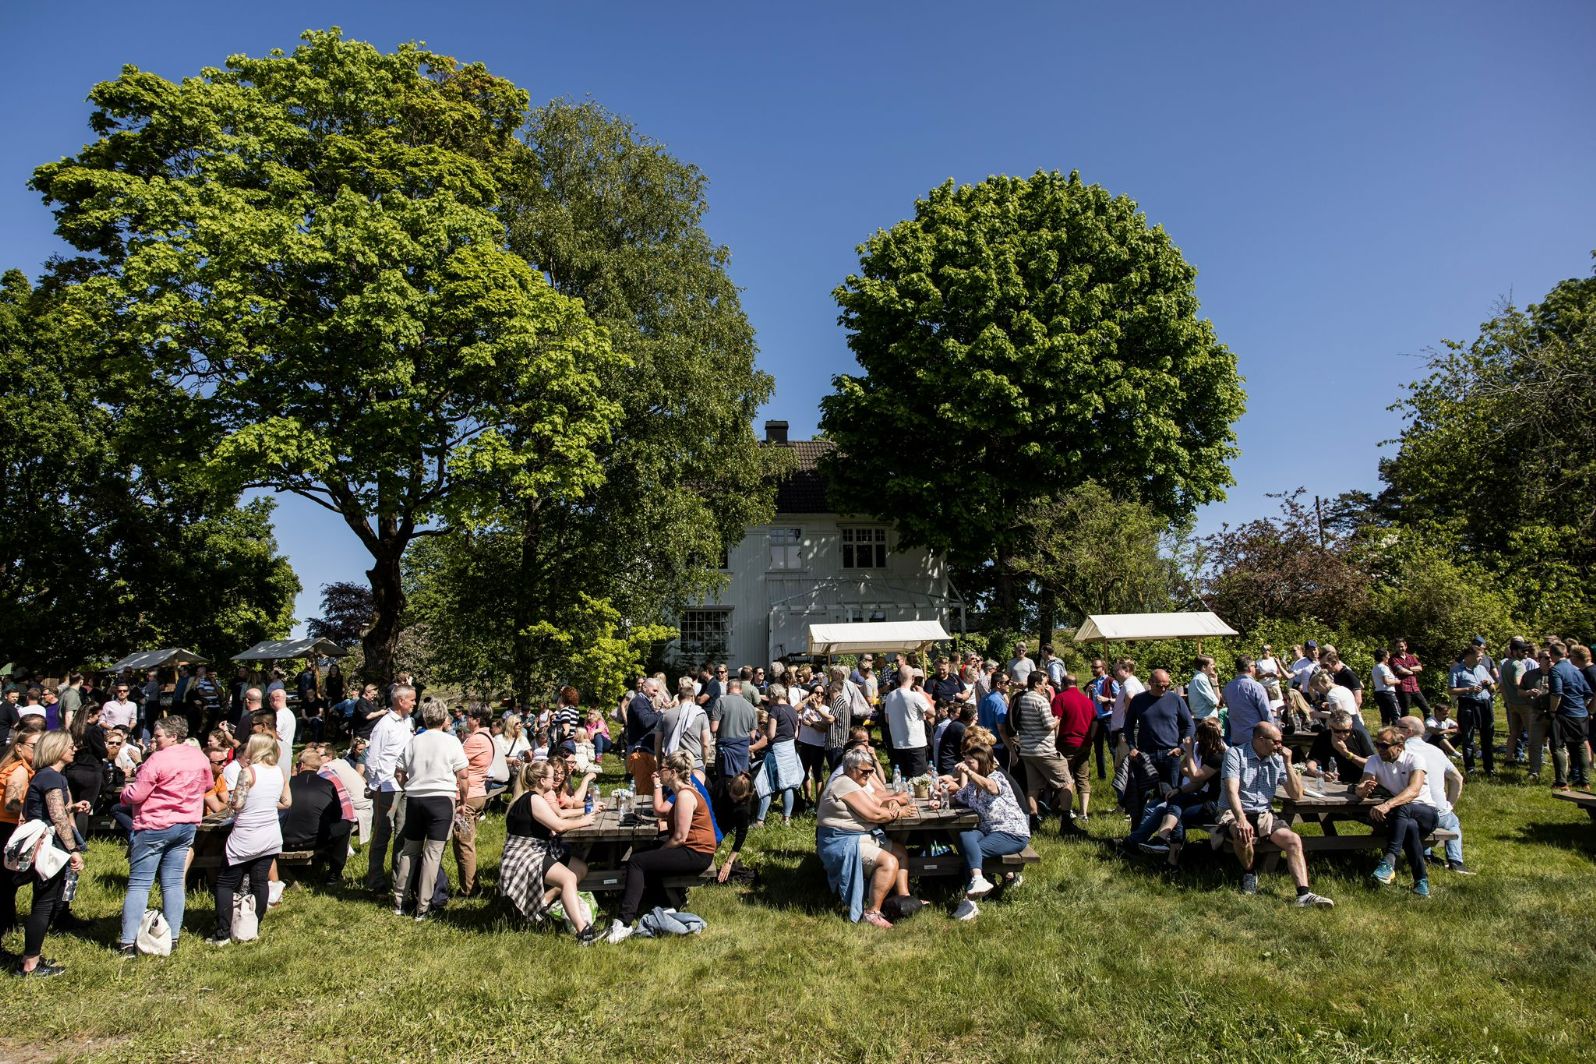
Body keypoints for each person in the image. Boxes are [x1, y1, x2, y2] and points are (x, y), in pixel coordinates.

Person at [116, 715, 211, 955]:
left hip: (154, 825)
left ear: (173, 736)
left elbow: (137, 794)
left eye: (158, 736)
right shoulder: (199, 757)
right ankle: (173, 936)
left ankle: (128, 941)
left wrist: (124, 794)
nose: (155, 741)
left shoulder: (157, 759)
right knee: (173, 882)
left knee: (140, 883)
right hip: (186, 823)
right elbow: (207, 785)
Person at [606, 751, 720, 943]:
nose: (659, 771)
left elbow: (679, 838)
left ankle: (624, 922)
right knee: (643, 855)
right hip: (696, 849)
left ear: (673, 772)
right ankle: (665, 905)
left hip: (697, 853)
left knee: (637, 862)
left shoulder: (684, 795)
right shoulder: (685, 791)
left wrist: (660, 851)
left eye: (662, 769)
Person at [1217, 722, 1334, 907]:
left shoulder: (1277, 759)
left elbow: (1296, 794)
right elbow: (1231, 790)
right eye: (1277, 742)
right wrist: (1241, 819)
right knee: (1243, 834)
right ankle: (1250, 873)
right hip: (1235, 810)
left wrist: (1288, 763)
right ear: (1261, 740)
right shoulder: (1235, 754)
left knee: (1293, 840)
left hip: (1264, 813)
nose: (1281, 746)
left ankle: (1303, 894)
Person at [814, 746, 914, 930]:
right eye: (865, 771)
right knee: (889, 862)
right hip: (842, 842)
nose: (869, 774)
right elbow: (874, 815)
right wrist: (897, 812)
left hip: (858, 836)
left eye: (871, 770)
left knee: (900, 852)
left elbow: (878, 802)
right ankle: (872, 912)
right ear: (851, 769)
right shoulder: (843, 783)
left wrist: (891, 803)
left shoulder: (855, 782)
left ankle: (905, 900)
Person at [500, 759, 596, 944]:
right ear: (541, 781)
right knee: (568, 878)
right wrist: (584, 820)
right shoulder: (533, 799)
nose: (555, 781)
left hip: (535, 850)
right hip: (524, 856)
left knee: (580, 869)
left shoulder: (531, 797)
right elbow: (559, 825)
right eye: (552, 778)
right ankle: (583, 930)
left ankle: (541, 904)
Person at [16, 731, 87, 976]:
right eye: (69, 746)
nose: (74, 749)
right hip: (49, 847)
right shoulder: (52, 778)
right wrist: (74, 850)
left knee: (43, 902)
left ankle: (31, 957)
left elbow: (50, 810)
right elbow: (58, 817)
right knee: (44, 904)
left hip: (43, 843)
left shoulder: (46, 776)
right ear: (56, 749)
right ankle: (30, 963)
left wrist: (73, 806)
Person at [208, 733, 290, 945]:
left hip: (247, 834)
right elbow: (286, 801)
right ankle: (253, 924)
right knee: (259, 881)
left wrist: (245, 802)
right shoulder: (279, 772)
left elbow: (236, 804)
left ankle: (223, 933)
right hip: (270, 832)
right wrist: (266, 804)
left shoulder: (248, 772)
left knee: (226, 883)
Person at [392, 699, 469, 922]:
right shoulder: (452, 742)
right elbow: (463, 776)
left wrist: (408, 785)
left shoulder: (414, 742)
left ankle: (400, 901)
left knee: (410, 851)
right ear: (445, 719)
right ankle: (423, 907)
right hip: (441, 801)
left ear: (424, 718)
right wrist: (462, 800)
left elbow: (399, 772)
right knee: (432, 855)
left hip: (416, 799)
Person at [942, 742, 1031, 921]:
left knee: (972, 852)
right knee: (965, 835)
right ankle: (979, 880)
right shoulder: (972, 787)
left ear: (982, 763)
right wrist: (941, 799)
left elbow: (990, 787)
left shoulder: (997, 777)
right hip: (988, 830)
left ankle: (969, 902)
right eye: (965, 762)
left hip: (1011, 832)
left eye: (970, 762)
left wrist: (967, 772)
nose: (966, 765)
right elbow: (957, 798)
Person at [1357, 726, 1440, 897]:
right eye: (1377, 744)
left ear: (1399, 746)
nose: (1379, 749)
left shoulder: (1415, 759)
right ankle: (1421, 882)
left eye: (1384, 745)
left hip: (1425, 812)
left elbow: (1413, 791)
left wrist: (1387, 805)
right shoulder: (1374, 760)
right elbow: (1361, 787)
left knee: (1402, 809)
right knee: (1409, 826)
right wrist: (1363, 789)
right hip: (1403, 817)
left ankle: (1389, 860)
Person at [1131, 717, 1228, 858]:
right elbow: (1198, 781)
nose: (1196, 741)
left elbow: (1195, 776)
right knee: (1174, 800)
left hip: (1216, 806)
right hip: (1207, 798)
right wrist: (1179, 790)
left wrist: (1188, 751)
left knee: (1175, 813)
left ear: (1205, 738)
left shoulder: (1219, 757)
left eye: (1198, 738)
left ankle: (1169, 857)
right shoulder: (1210, 754)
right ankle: (1154, 841)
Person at [1399, 716, 1471, 874]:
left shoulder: (1400, 752)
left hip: (1411, 812)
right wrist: (1449, 805)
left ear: (1408, 732)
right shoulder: (1436, 751)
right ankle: (1455, 861)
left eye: (1399, 726)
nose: (1395, 729)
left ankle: (1427, 855)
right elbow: (1457, 778)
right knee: (1452, 821)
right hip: (1438, 813)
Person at [280, 746, 353, 884]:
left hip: (285, 838)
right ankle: (334, 873)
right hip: (316, 839)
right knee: (345, 824)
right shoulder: (328, 785)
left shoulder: (287, 783)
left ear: (301, 765)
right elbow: (337, 815)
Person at [1012, 671, 1073, 833]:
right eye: (1044, 683)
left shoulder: (1021, 699)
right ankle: (1066, 822)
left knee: (1033, 788)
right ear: (1037, 684)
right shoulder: (1041, 700)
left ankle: (1033, 822)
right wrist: (1058, 719)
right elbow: (1047, 724)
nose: (1046, 686)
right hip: (1044, 750)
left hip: (1027, 750)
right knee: (1066, 782)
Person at [0, 722, 42, 944]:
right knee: (8, 881)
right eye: (35, 746)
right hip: (6, 828)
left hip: (7, 827)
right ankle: (6, 925)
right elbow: (11, 804)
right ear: (19, 748)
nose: (39, 750)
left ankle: (8, 924)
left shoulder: (24, 769)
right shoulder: (19, 771)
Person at [454, 706, 495, 897]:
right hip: (477, 794)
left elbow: (456, 761)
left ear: (477, 720)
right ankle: (471, 885)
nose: (466, 720)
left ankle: (470, 889)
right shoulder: (486, 737)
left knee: (464, 843)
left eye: (469, 717)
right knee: (466, 841)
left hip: (467, 798)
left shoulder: (477, 739)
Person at [1546, 641, 1592, 788]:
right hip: (1580, 713)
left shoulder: (1556, 670)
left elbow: (1557, 693)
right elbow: (1588, 693)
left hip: (1563, 713)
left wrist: (1553, 711)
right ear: (1565, 653)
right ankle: (1584, 781)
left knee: (1558, 746)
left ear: (1552, 655)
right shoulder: (1577, 670)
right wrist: (1582, 707)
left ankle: (1561, 781)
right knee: (1580, 746)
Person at [755, 683, 802, 826]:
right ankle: (786, 819)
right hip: (790, 750)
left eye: (769, 697)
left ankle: (760, 820)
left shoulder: (775, 710)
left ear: (774, 696)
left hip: (776, 751)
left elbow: (771, 734)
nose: (768, 701)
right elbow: (795, 733)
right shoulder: (793, 710)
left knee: (765, 784)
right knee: (788, 785)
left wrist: (762, 730)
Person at [1448, 645, 1497, 777]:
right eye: (1479, 656)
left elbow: (1493, 688)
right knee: (1468, 737)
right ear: (1469, 656)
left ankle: (1489, 767)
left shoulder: (1481, 669)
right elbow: (1451, 690)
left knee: (1487, 737)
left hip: (1485, 704)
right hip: (1468, 705)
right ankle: (1470, 767)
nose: (1481, 659)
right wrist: (1469, 689)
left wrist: (1489, 685)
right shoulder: (1457, 670)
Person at [64, 701, 108, 838]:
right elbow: (102, 753)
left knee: (73, 806)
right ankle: (79, 841)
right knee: (84, 808)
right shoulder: (94, 730)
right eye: (98, 716)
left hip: (72, 770)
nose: (99, 719)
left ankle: (68, 838)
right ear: (90, 715)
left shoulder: (73, 728)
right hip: (90, 771)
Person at [658, 678, 712, 780]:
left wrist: (659, 764)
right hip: (694, 763)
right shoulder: (700, 714)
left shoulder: (666, 715)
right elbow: (705, 744)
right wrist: (703, 764)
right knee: (696, 794)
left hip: (672, 762)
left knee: (671, 795)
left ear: (678, 697)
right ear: (692, 697)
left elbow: (658, 742)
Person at [710, 677, 759, 779]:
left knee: (725, 781)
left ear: (728, 688)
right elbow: (753, 735)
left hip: (725, 748)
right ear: (741, 690)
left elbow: (714, 728)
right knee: (741, 781)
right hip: (742, 748)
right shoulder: (750, 707)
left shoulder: (720, 702)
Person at [1304, 709, 1375, 780]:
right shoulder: (1323, 737)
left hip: (1357, 781)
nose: (1342, 735)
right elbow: (1310, 764)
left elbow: (1371, 764)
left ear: (1351, 726)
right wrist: (1321, 774)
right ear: (1330, 727)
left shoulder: (1358, 735)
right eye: (1337, 731)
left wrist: (1346, 753)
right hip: (1332, 783)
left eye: (1346, 731)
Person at [624, 677, 663, 792]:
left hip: (646, 749)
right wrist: (661, 713)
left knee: (651, 787)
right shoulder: (638, 701)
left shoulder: (644, 701)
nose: (656, 694)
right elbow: (646, 721)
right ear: (645, 688)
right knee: (644, 789)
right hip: (639, 751)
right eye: (654, 690)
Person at [1223, 657, 1273, 747]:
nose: (1256, 668)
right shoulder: (1256, 686)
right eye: (1255, 666)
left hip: (1236, 737)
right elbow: (1266, 712)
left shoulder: (1228, 687)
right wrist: (1273, 732)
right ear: (1250, 667)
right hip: (1254, 738)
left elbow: (1228, 707)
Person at [1390, 638, 1431, 717]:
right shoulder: (1393, 658)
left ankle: (1428, 727)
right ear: (1395, 648)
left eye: (1402, 646)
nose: (1400, 648)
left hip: (1414, 687)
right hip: (1403, 688)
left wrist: (1408, 669)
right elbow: (1401, 670)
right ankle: (1402, 728)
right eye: (1398, 647)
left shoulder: (1411, 657)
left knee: (1427, 709)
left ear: (1406, 646)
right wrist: (1413, 671)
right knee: (1405, 712)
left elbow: (1420, 668)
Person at [1370, 648, 1402, 726]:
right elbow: (1386, 681)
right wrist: (1397, 681)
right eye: (1388, 655)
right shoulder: (1384, 668)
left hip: (1378, 693)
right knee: (1396, 714)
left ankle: (1385, 735)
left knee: (1385, 716)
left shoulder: (1375, 668)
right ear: (1384, 657)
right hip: (1388, 693)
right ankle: (1396, 734)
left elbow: (1375, 682)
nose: (1389, 657)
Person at [1188, 656, 1221, 721]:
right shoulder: (1201, 680)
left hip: (1205, 719)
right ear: (1204, 667)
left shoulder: (1200, 679)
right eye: (1211, 665)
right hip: (1206, 721)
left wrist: (1215, 683)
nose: (1214, 666)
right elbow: (1215, 702)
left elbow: (1216, 701)